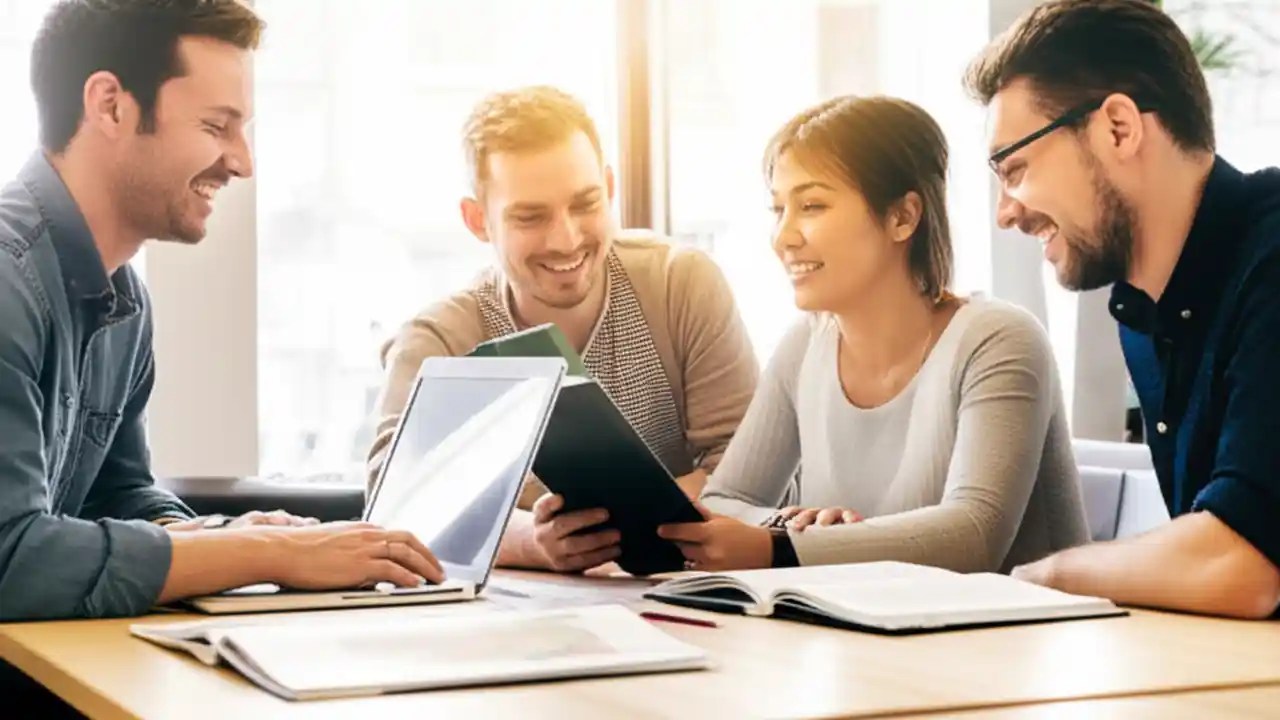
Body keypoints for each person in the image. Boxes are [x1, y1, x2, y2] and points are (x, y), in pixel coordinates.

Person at [0, 0, 442, 624]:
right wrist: (268, 554)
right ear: (110, 106)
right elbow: (11, 562)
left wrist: (221, 536)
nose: (242, 162)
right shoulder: (9, 281)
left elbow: (112, 495)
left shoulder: (125, 301)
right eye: (216, 126)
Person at [656, 96, 1088, 573]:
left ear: (903, 217)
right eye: (779, 209)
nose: (783, 237)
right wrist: (791, 525)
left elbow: (973, 534)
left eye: (812, 205)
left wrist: (783, 547)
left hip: (1021, 622)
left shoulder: (1000, 341)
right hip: (863, 621)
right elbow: (725, 500)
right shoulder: (804, 346)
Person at [964, 0, 1280, 619]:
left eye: (1015, 169)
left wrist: (1036, 577)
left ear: (1118, 128)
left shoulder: (1271, 259)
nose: (1007, 212)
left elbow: (1242, 563)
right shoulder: (1142, 314)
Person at [369, 86, 759, 574]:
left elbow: (748, 465)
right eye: (530, 217)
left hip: (684, 590)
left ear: (609, 188)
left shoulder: (679, 284)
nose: (566, 238)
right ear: (477, 220)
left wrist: (637, 526)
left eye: (585, 204)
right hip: (524, 608)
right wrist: (532, 542)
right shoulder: (441, 340)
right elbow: (396, 507)